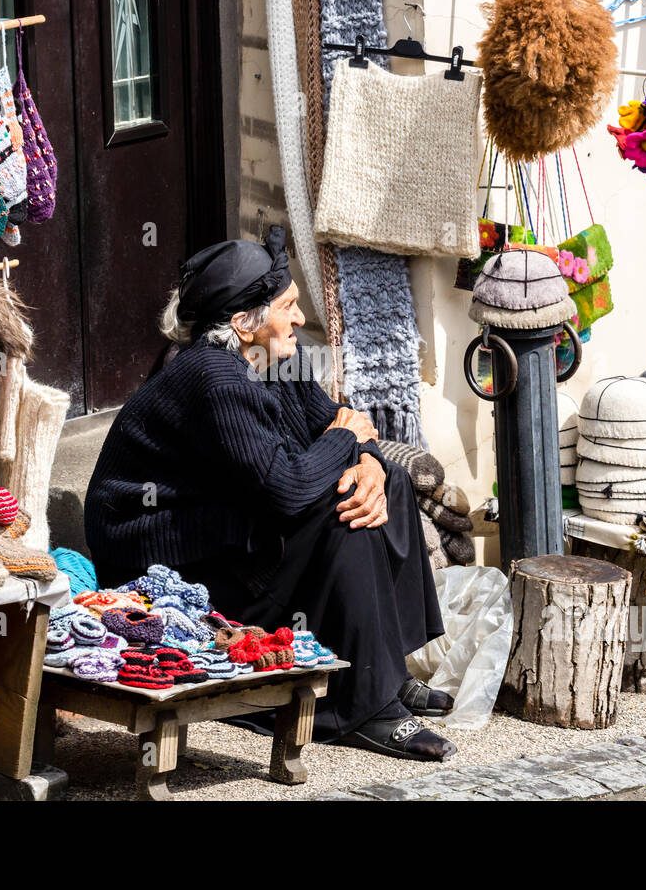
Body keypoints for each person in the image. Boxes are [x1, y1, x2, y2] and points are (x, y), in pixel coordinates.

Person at [85, 238, 456, 761]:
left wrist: (369, 457)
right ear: (242, 322)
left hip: (229, 524)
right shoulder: (214, 377)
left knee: (389, 479)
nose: (301, 319)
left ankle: (386, 671)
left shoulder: (274, 356)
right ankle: (364, 707)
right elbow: (287, 490)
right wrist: (348, 443)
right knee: (337, 508)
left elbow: (336, 420)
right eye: (288, 307)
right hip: (173, 561)